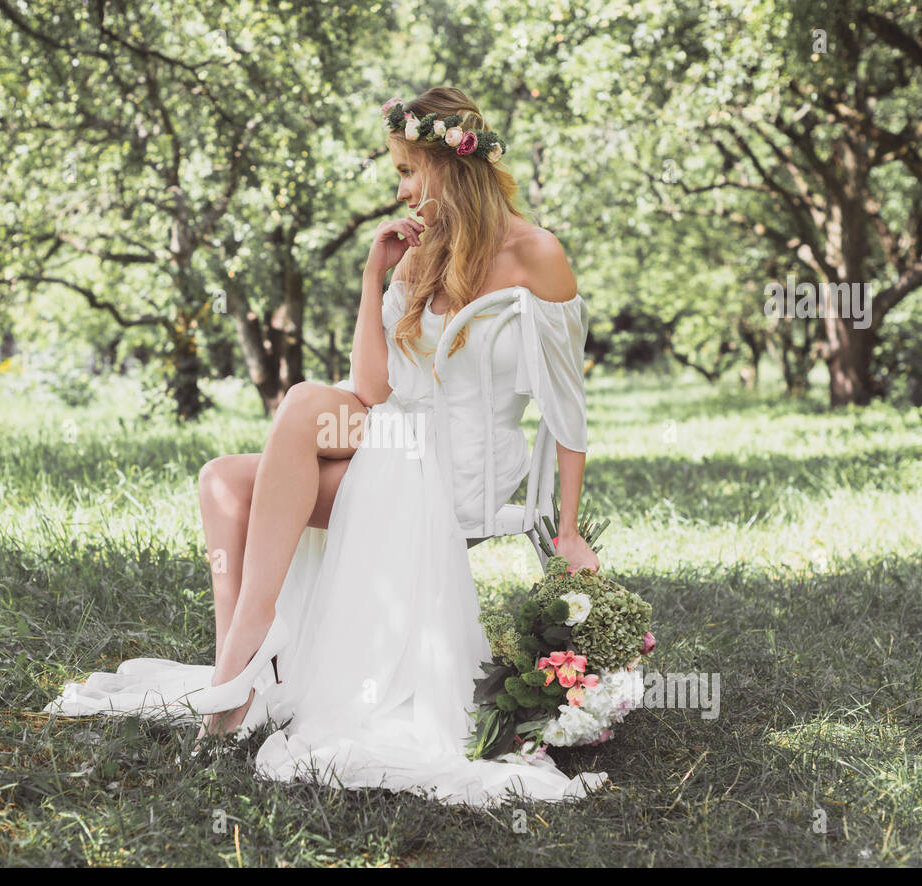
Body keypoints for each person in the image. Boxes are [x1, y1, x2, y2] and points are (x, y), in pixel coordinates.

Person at [46, 87, 608, 806]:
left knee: (306, 401)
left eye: (408, 170)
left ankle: (245, 654)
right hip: (391, 433)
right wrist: (374, 273)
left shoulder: (537, 253)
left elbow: (567, 405)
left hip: (456, 466)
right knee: (223, 478)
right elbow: (374, 388)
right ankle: (239, 664)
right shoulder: (416, 252)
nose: (402, 189)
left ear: (449, 163)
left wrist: (565, 529)